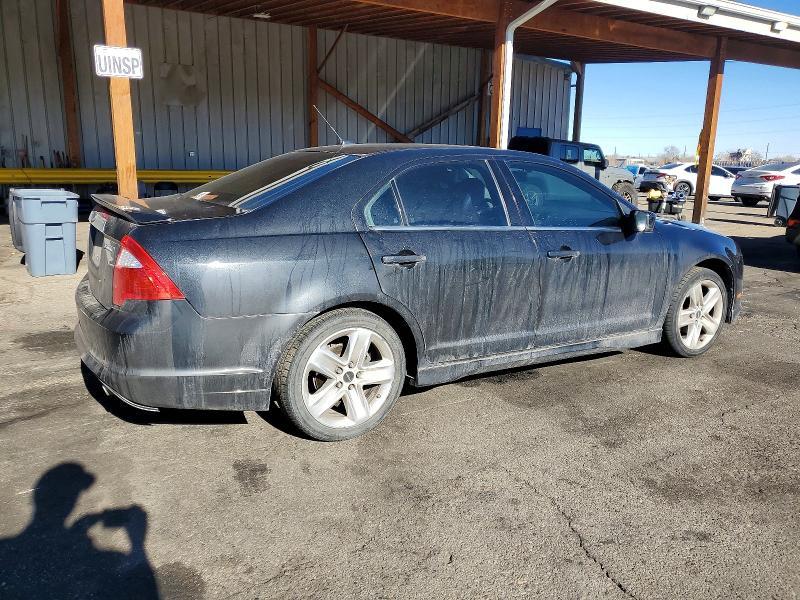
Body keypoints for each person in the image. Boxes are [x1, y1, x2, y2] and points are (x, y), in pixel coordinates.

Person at [0, 463, 158, 599]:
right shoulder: (109, 560)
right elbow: (146, 590)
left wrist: (77, 533)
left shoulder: (5, 550)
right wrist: (137, 544)